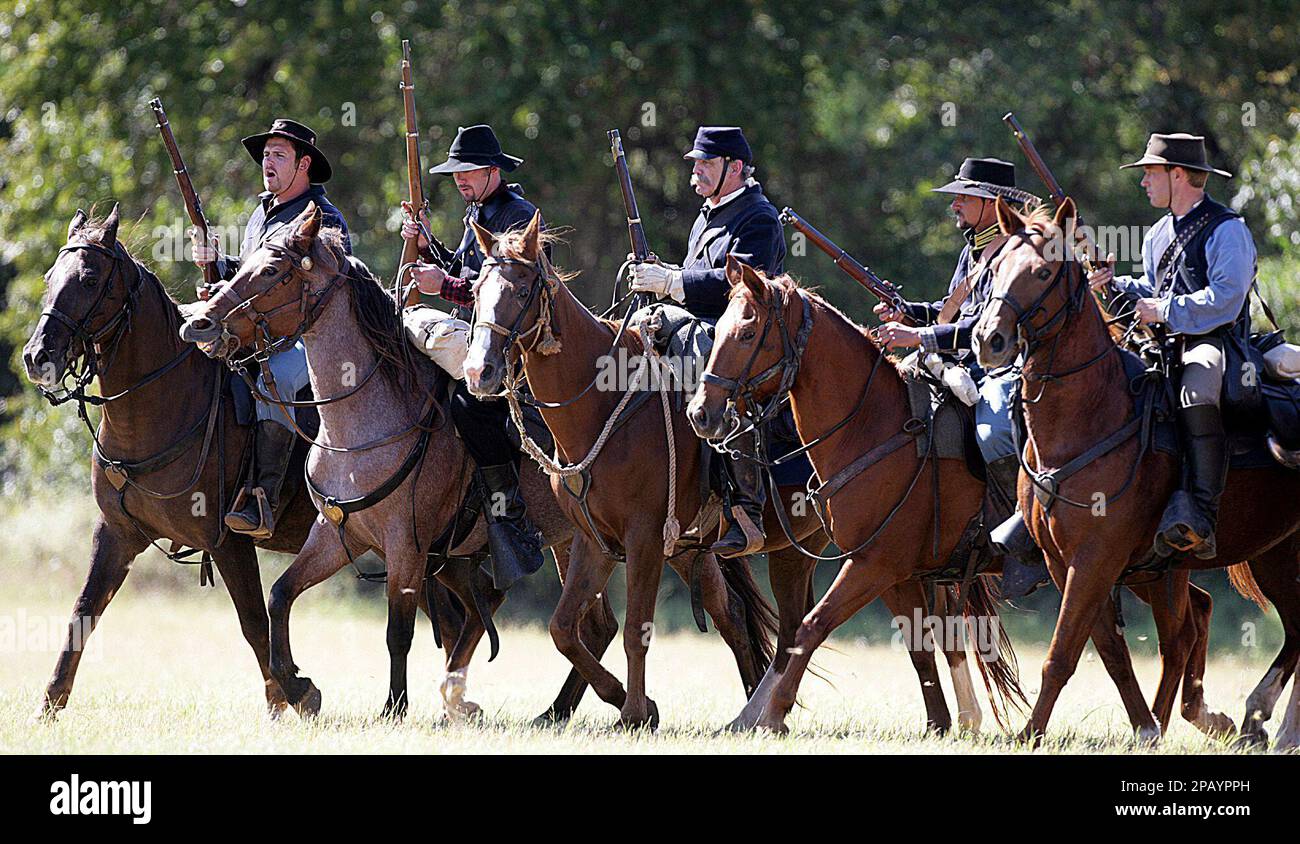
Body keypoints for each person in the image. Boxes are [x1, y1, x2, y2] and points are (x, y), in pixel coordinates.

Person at [874, 157, 1049, 598]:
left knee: (992, 434)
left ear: (991, 203)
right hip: (960, 365)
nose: (953, 204)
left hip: (1002, 366)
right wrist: (909, 313)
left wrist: (919, 336)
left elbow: (989, 328)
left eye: (963, 197)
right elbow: (956, 312)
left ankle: (1026, 536)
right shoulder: (975, 248)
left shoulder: (1014, 250)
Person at [1088, 133, 1255, 559]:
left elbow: (1225, 299)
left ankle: (1201, 514)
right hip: (1160, 344)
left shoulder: (1227, 229)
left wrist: (1162, 308)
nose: (1144, 182)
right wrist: (1116, 284)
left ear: (1177, 175)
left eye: (1150, 173)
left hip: (1212, 342)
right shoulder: (1159, 233)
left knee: (1195, 392)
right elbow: (1151, 288)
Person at [628, 126, 786, 558]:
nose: (695, 171)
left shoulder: (759, 217)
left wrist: (673, 281)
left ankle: (746, 510)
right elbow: (696, 273)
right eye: (695, 163)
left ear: (734, 168)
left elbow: (744, 285)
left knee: (718, 384)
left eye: (706, 164)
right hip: (695, 327)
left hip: (739, 340)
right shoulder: (708, 212)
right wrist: (660, 274)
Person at [400, 124, 545, 589]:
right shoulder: (477, 212)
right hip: (480, 336)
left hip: (512, 348)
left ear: (492, 170)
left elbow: (491, 293)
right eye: (455, 172)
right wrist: (428, 247)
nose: (459, 180)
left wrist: (441, 287)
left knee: (470, 405)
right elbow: (462, 272)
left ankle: (508, 512)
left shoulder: (516, 216)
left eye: (467, 171)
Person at [192, 118, 351, 539]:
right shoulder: (260, 214)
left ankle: (263, 498)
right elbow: (249, 278)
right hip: (255, 328)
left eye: (279, 155)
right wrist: (217, 269)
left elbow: (325, 291)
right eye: (266, 155)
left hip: (306, 340)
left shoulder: (325, 220)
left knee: (277, 378)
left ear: (304, 166)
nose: (268, 162)